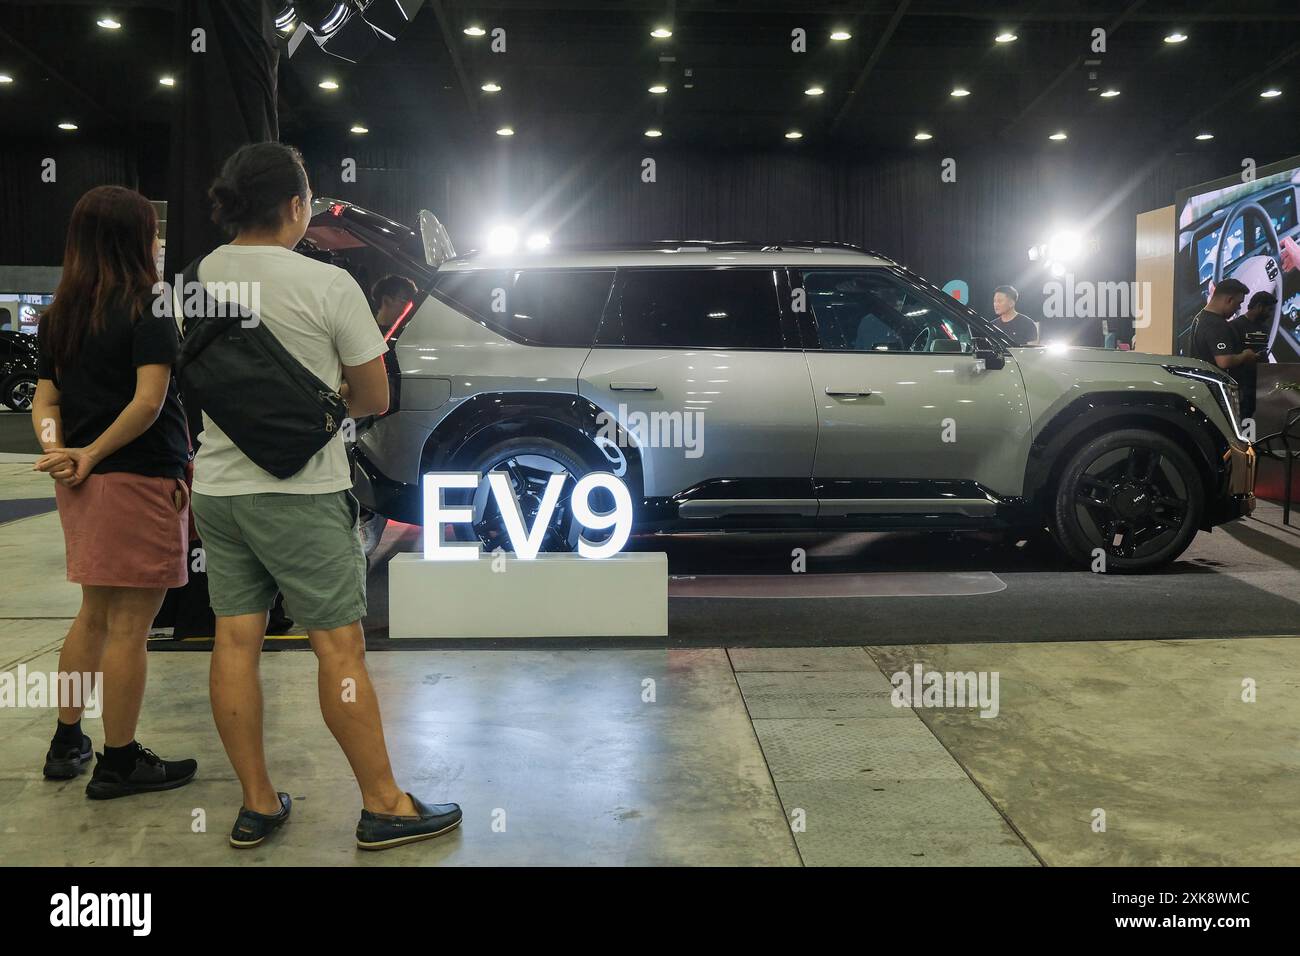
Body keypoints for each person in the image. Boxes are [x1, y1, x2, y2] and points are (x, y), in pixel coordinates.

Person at [189, 142, 460, 850]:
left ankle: (256, 804)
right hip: (301, 490)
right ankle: (384, 805)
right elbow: (373, 395)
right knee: (337, 649)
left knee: (235, 640)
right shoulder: (327, 283)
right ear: (297, 206)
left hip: (216, 486)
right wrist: (327, 400)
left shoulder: (189, 281)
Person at [30, 185, 197, 798]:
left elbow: (46, 401)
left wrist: (59, 450)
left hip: (80, 482)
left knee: (94, 613)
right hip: (137, 476)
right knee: (131, 624)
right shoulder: (148, 304)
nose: (157, 238)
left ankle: (66, 738)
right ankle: (121, 759)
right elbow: (149, 402)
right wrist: (93, 451)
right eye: (151, 229)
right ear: (134, 239)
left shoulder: (60, 314)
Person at [1188, 277, 1255, 401]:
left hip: (1203, 388)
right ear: (1229, 300)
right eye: (1239, 303)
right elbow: (1224, 361)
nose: (1239, 308)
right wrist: (1245, 355)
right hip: (1217, 393)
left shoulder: (1199, 317)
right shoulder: (1216, 324)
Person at [1226, 289, 1276, 421]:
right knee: (1244, 420)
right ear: (1259, 307)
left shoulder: (1265, 328)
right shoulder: (1234, 326)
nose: (1270, 314)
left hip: (1261, 383)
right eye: (1269, 310)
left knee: (1259, 420)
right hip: (1241, 385)